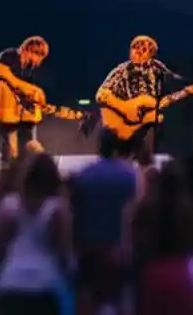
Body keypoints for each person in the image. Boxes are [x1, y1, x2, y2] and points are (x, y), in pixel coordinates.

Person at [0, 153, 72, 315]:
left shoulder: (8, 206)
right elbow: (63, 250)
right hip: (45, 285)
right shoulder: (57, 209)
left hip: (10, 282)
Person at [71, 129, 139, 315]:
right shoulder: (130, 176)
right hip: (119, 252)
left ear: (100, 146)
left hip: (89, 251)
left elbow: (75, 212)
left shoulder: (84, 175)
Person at [95, 36, 183, 165]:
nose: (139, 52)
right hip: (122, 119)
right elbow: (101, 94)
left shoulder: (157, 69)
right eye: (136, 48)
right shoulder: (122, 70)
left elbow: (174, 80)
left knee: (158, 120)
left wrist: (187, 88)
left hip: (143, 119)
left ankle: (144, 160)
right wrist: (124, 107)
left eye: (145, 49)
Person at [132, 162, 193, 315]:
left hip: (152, 273)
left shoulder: (146, 207)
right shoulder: (188, 211)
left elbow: (137, 239)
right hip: (181, 274)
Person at [0, 36, 52, 161]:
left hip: (20, 110)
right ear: (30, 51)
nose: (38, 62)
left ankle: (31, 158)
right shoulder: (7, 56)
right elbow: (1, 77)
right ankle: (10, 162)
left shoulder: (28, 69)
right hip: (4, 107)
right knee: (10, 141)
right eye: (39, 57)